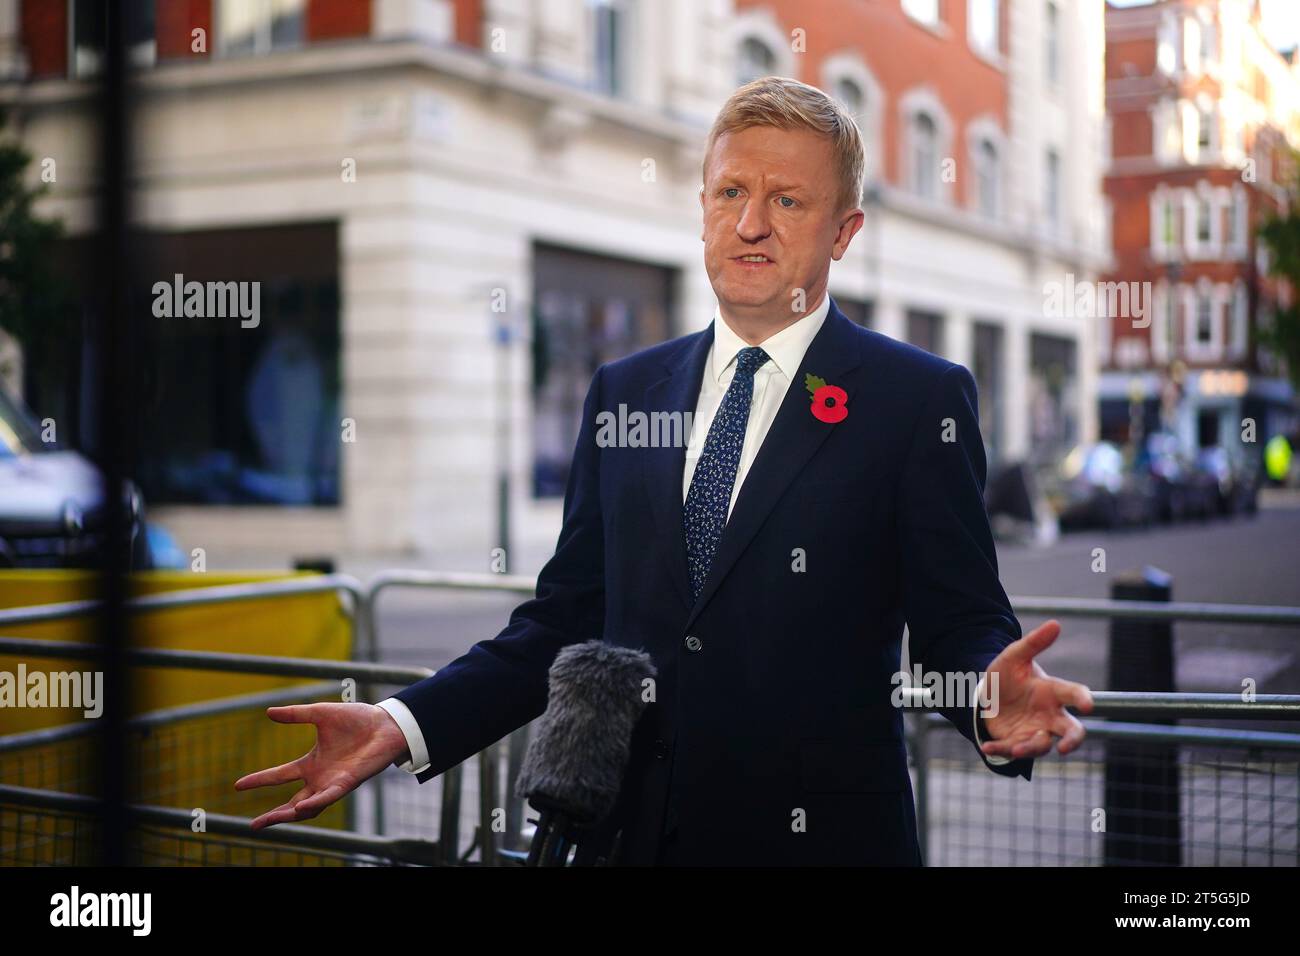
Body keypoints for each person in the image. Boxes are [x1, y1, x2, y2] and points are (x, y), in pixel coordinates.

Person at [236, 75, 1093, 865]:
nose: (750, 223)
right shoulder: (625, 389)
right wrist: (402, 723)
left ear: (843, 232)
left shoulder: (916, 399)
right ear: (704, 206)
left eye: (786, 200)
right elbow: (563, 621)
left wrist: (988, 696)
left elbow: (960, 624)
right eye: (730, 193)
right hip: (630, 841)